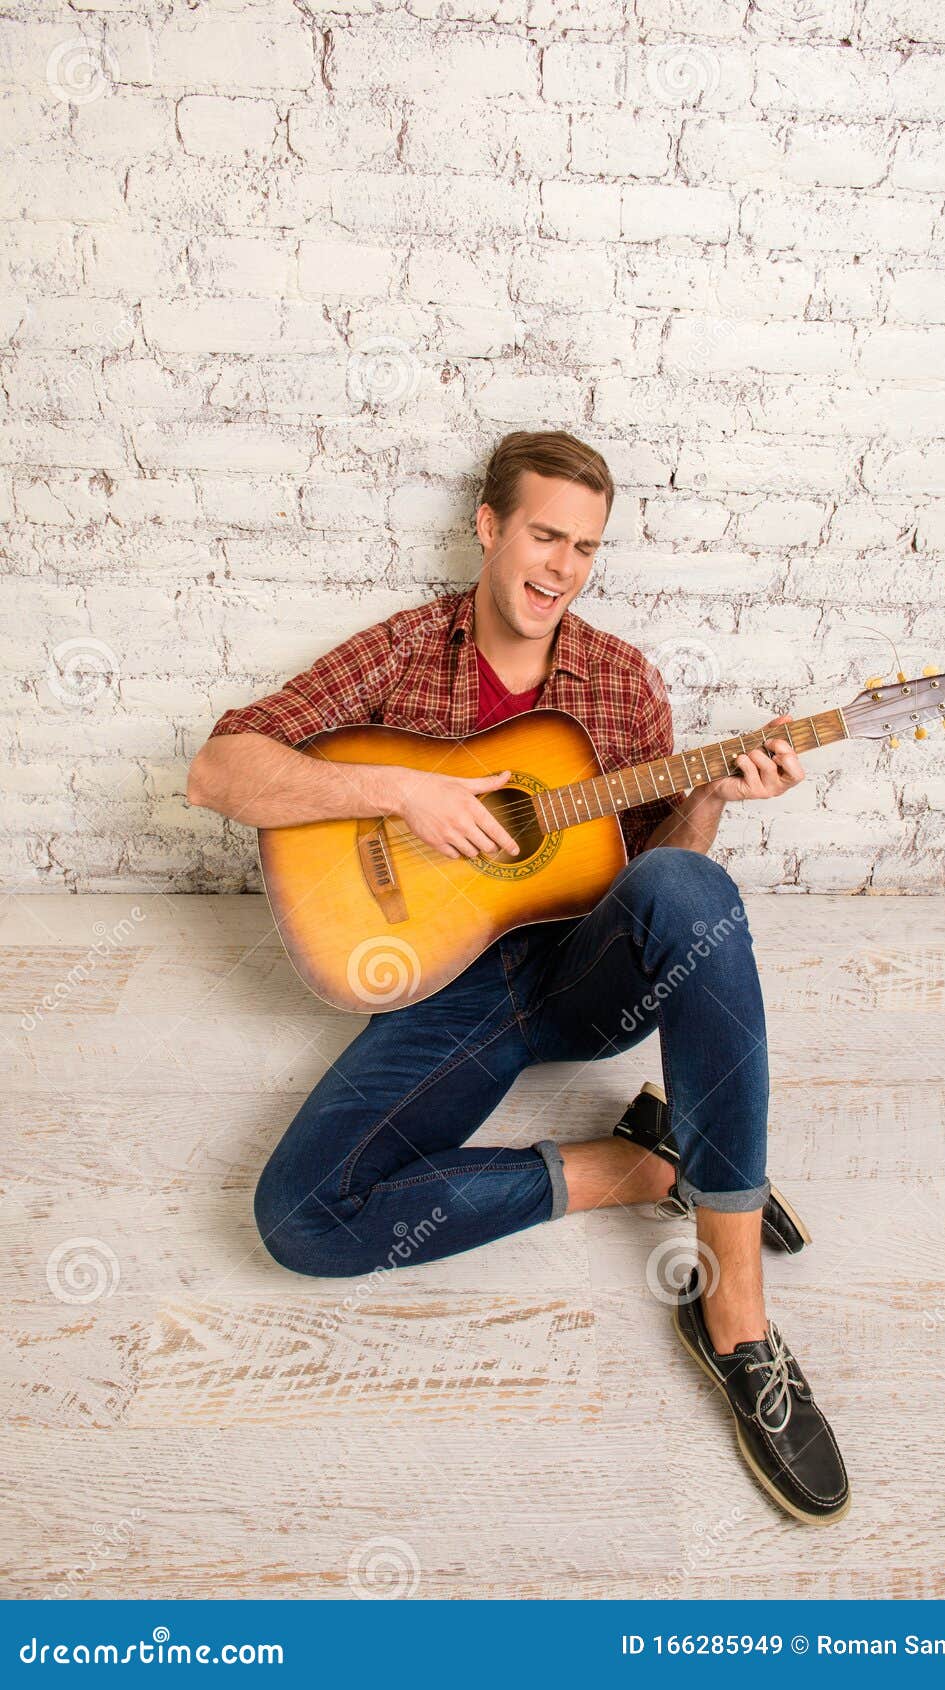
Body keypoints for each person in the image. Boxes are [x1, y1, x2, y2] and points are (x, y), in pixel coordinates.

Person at [187, 430, 849, 1525]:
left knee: (698, 887)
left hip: (576, 976)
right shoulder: (403, 652)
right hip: (445, 983)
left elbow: (659, 896)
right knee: (300, 1217)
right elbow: (220, 769)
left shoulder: (622, 681)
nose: (563, 566)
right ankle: (642, 1166)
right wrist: (404, 792)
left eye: (586, 546)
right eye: (545, 533)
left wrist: (718, 796)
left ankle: (735, 1319)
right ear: (490, 527)